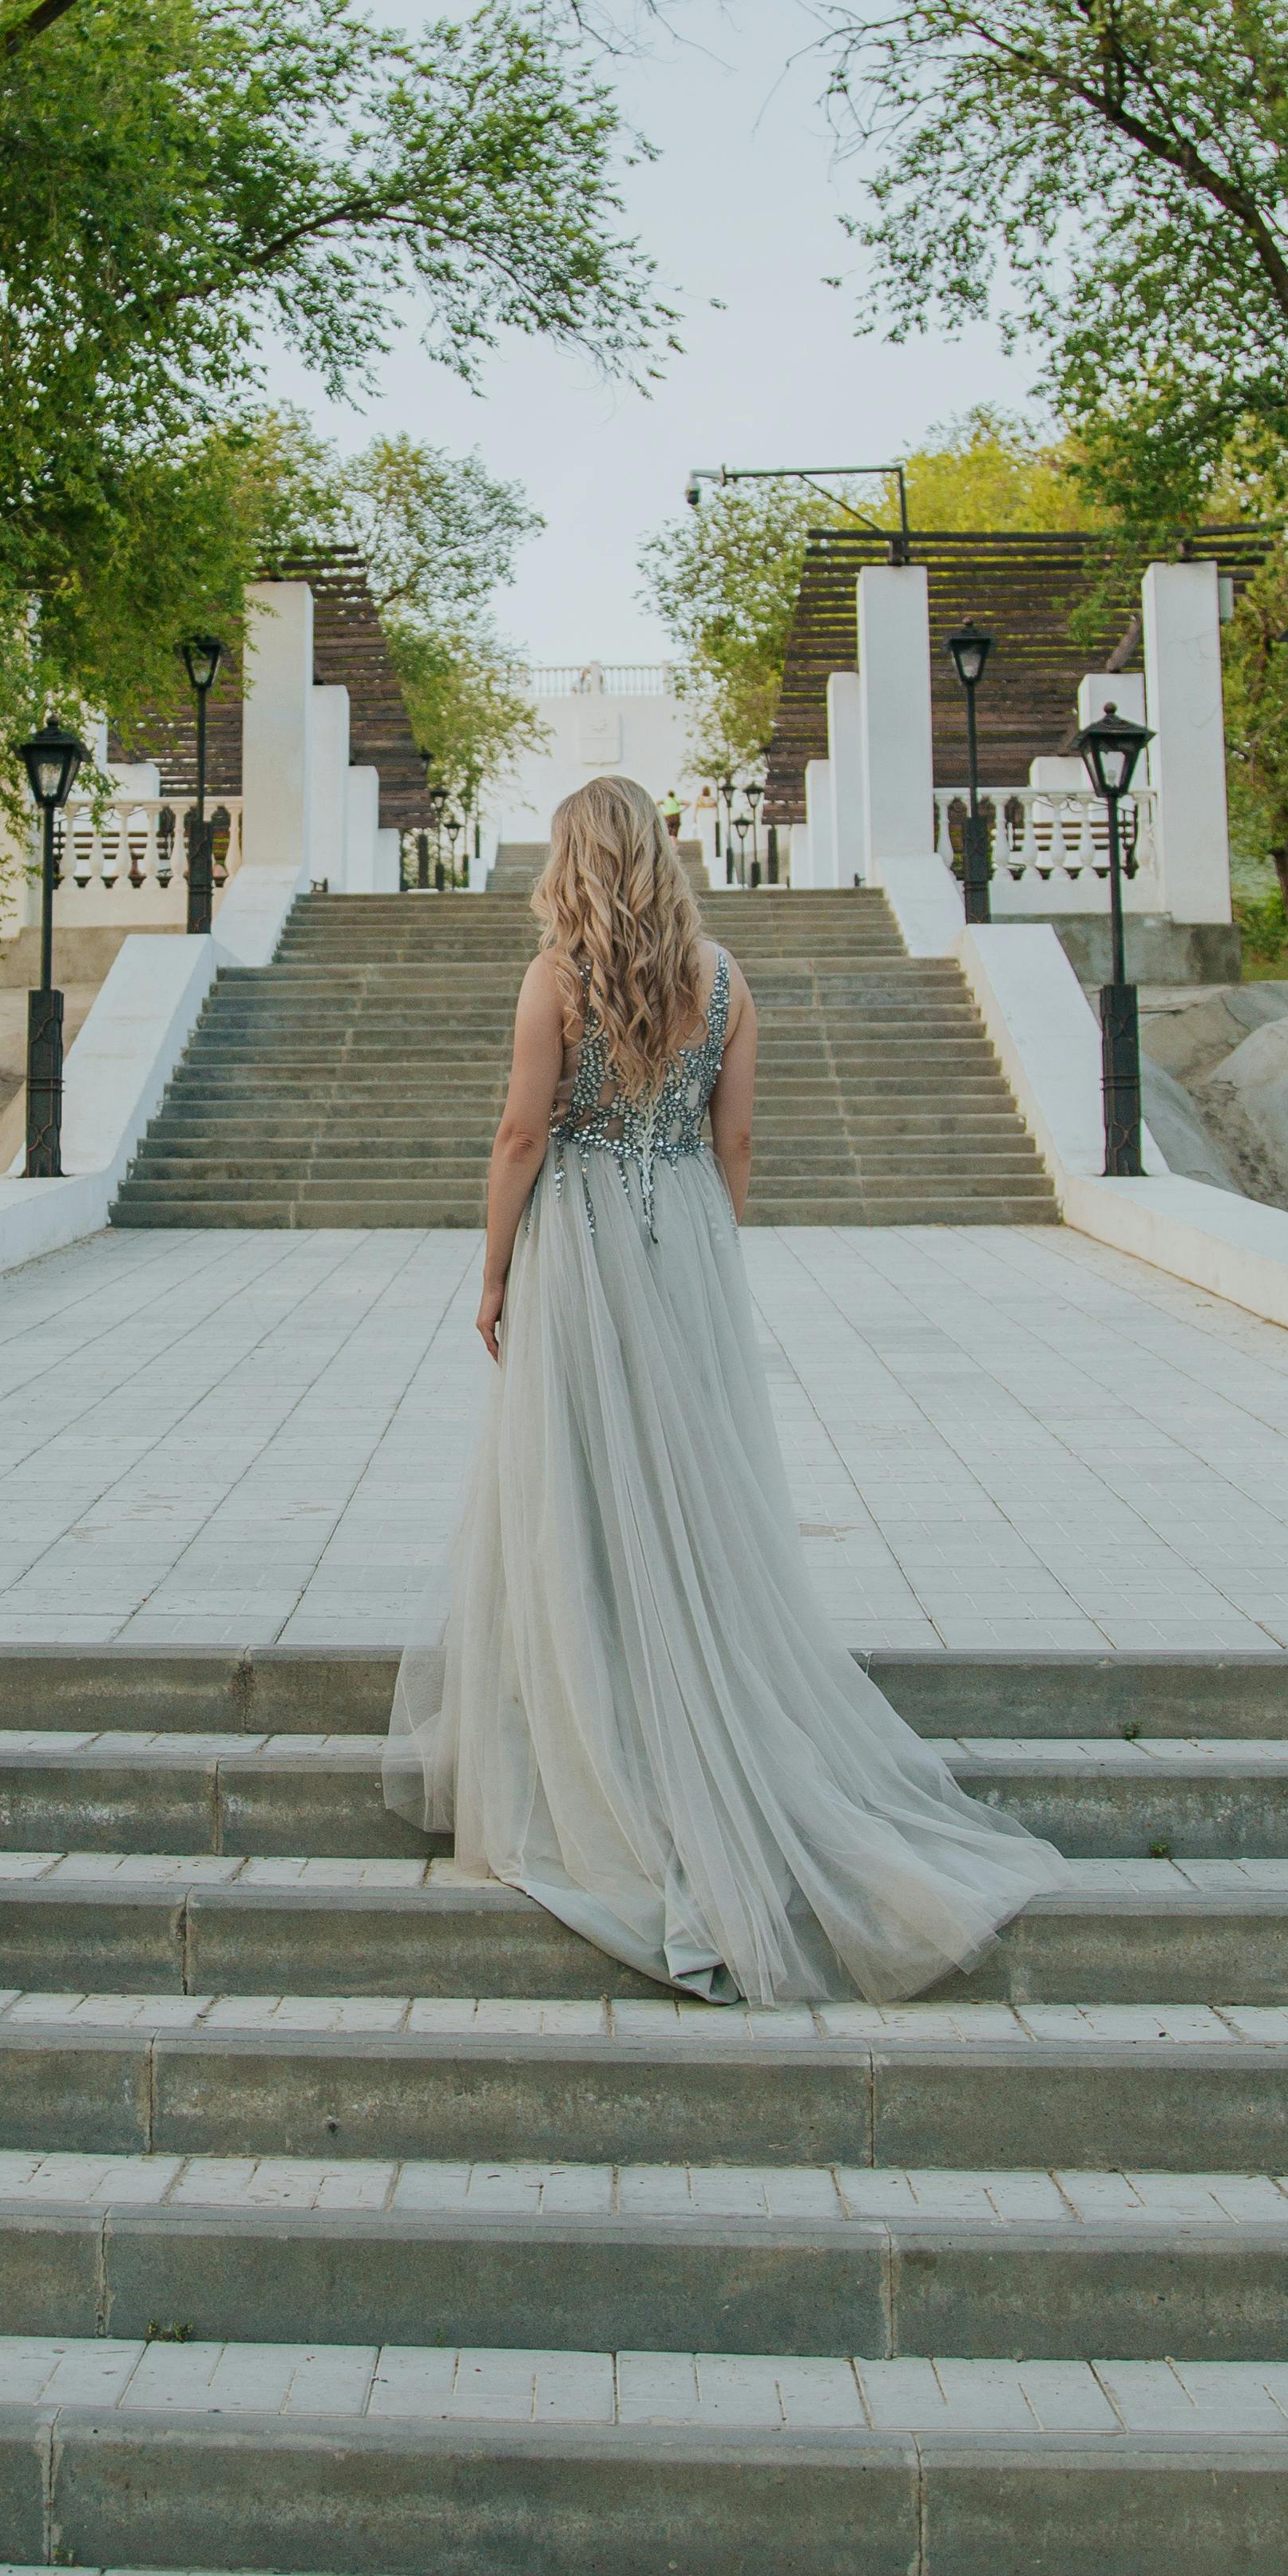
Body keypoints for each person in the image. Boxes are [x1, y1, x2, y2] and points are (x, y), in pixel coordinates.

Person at [383, 773, 1060, 2006]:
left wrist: (493, 1271)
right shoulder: (730, 980)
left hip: (582, 1238)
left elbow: (522, 1136)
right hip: (686, 1231)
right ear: (660, 853)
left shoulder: (556, 978)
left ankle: (594, 1715)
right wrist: (702, 1245)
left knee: (578, 1468)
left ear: (574, 861)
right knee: (690, 1476)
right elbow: (735, 1140)